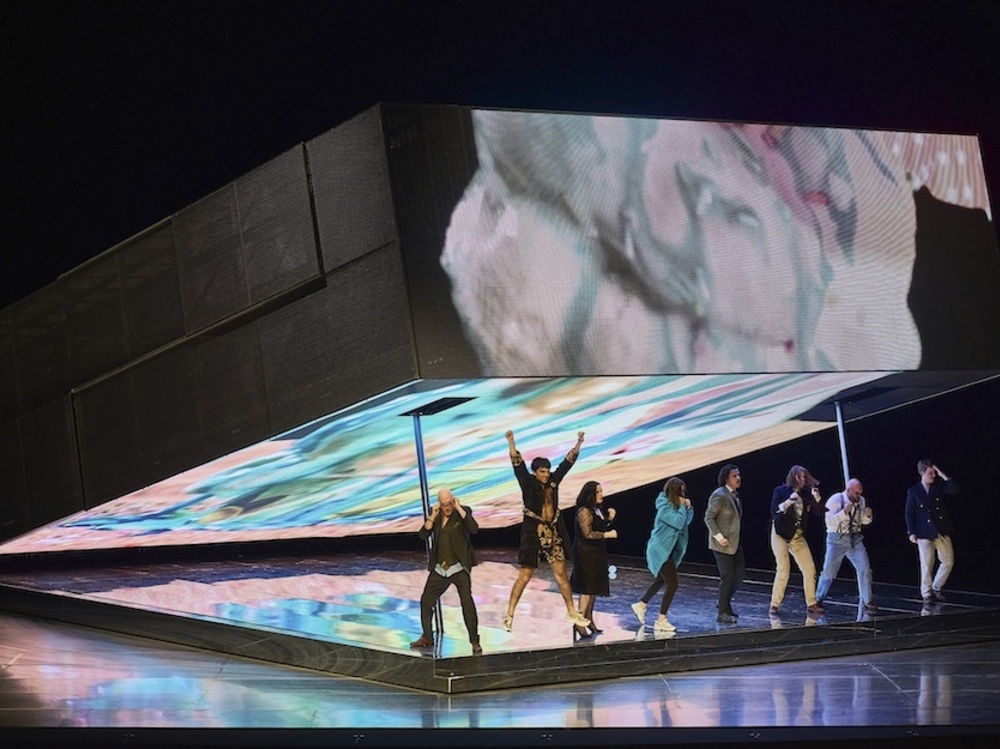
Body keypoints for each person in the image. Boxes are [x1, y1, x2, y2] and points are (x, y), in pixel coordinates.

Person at [503, 429, 590, 631]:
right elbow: (517, 463)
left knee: (560, 573)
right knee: (525, 575)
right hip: (533, 534)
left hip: (553, 534)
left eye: (547, 471)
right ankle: (509, 615)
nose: (546, 474)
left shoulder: (553, 481)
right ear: (536, 472)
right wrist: (512, 442)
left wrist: (578, 443)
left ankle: (571, 612)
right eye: (542, 471)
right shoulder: (528, 482)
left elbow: (567, 463)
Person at [409, 488, 482, 653]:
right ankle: (427, 636)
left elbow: (474, 528)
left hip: (458, 567)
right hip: (440, 568)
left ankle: (474, 641)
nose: (447, 508)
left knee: (467, 602)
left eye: (449, 504)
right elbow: (423, 534)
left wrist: (459, 508)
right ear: (439, 504)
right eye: (444, 505)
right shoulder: (435, 515)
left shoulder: (462, 512)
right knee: (426, 601)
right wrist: (433, 516)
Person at [632, 476, 694, 633]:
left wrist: (688, 508)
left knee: (662, 580)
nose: (683, 495)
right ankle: (661, 620)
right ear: (674, 492)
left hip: (668, 550)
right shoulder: (665, 508)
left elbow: (686, 521)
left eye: (684, 492)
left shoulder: (675, 507)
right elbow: (679, 523)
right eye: (680, 492)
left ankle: (641, 604)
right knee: (672, 584)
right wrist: (681, 506)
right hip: (659, 550)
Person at [769, 465, 826, 617]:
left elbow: (819, 511)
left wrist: (817, 499)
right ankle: (774, 604)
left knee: (809, 569)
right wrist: (788, 502)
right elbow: (774, 511)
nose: (802, 480)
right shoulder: (780, 491)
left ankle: (811, 603)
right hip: (780, 534)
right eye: (800, 477)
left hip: (797, 536)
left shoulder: (806, 494)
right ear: (793, 477)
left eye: (804, 477)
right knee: (783, 569)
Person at [815, 478, 876, 613]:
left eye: (860, 493)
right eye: (856, 493)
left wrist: (867, 517)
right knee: (829, 571)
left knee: (865, 568)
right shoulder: (835, 500)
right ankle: (818, 599)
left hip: (854, 538)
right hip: (836, 539)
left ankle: (868, 599)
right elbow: (829, 522)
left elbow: (861, 522)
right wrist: (843, 513)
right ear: (848, 490)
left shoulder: (861, 501)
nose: (859, 496)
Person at [905, 460, 959, 605]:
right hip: (923, 531)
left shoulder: (938, 486)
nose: (933, 476)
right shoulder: (914, 491)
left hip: (941, 528)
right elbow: (909, 513)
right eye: (930, 473)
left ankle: (936, 586)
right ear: (922, 473)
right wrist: (911, 532)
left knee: (948, 561)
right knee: (927, 564)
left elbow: (953, 490)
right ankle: (926, 593)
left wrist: (942, 474)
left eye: (934, 473)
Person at [569, 481, 618, 639]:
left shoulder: (597, 510)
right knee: (587, 588)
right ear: (590, 494)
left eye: (601, 491)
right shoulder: (584, 511)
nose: (601, 494)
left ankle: (589, 619)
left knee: (594, 588)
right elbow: (588, 533)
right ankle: (580, 622)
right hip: (585, 553)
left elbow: (600, 527)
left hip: (596, 552)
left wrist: (609, 519)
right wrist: (606, 535)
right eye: (598, 492)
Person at [704, 463, 745, 624]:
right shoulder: (719, 495)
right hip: (721, 544)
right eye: (734, 476)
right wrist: (719, 537)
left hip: (734, 543)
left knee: (739, 575)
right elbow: (708, 517)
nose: (738, 478)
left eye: (739, 475)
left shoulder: (734, 494)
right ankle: (722, 612)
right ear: (726, 478)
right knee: (727, 576)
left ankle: (724, 602)